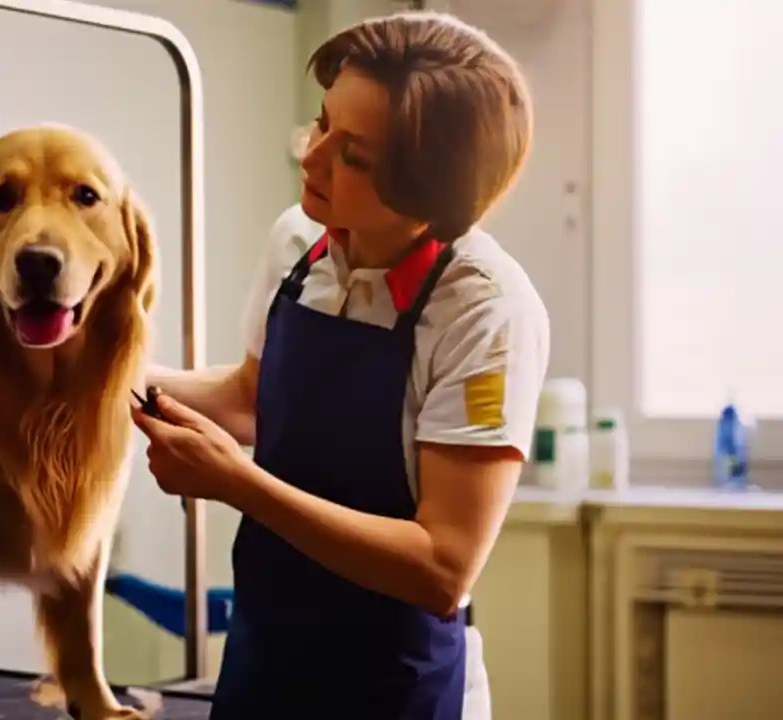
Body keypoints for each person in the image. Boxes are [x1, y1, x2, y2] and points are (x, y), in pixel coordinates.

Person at [130, 10, 548, 719]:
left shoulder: (485, 311)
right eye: (320, 124)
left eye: (352, 155)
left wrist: (238, 484)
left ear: (430, 190)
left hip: (396, 684)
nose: (312, 157)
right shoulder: (299, 240)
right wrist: (98, 375)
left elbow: (442, 565)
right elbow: (250, 397)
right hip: (267, 660)